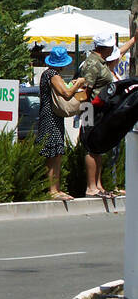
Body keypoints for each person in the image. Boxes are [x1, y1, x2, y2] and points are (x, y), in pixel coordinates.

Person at [77, 31, 135, 198]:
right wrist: (86, 112)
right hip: (90, 109)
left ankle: (98, 185)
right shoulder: (92, 64)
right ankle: (91, 187)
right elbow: (85, 89)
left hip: (100, 109)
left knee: (99, 146)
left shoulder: (100, 62)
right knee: (91, 146)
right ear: (105, 47)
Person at [35, 45, 83, 201]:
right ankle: (52, 189)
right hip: (51, 118)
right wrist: (78, 83)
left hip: (51, 117)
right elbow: (66, 94)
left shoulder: (47, 74)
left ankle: (55, 188)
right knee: (53, 153)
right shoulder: (52, 74)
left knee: (56, 153)